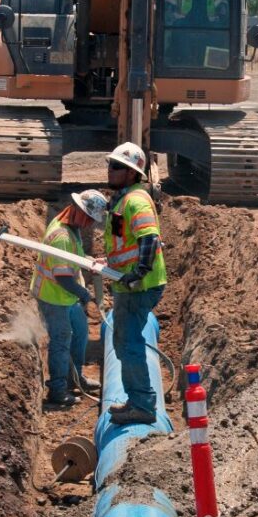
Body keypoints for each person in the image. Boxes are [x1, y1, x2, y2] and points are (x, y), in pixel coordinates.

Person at [102, 142, 168, 426]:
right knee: (123, 341)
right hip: (126, 283)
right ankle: (136, 400)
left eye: (117, 167)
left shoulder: (136, 201)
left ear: (131, 173)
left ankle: (141, 405)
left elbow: (149, 239)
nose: (110, 170)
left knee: (128, 343)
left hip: (137, 286)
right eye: (110, 164)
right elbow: (123, 242)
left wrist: (138, 272)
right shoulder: (122, 201)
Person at [32, 189, 108, 409]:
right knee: (61, 341)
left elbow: (73, 258)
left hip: (66, 296)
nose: (90, 225)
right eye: (89, 219)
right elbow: (63, 278)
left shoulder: (69, 225)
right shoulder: (62, 237)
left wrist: (91, 261)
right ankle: (57, 390)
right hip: (53, 296)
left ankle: (75, 378)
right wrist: (85, 295)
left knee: (81, 334)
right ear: (79, 211)